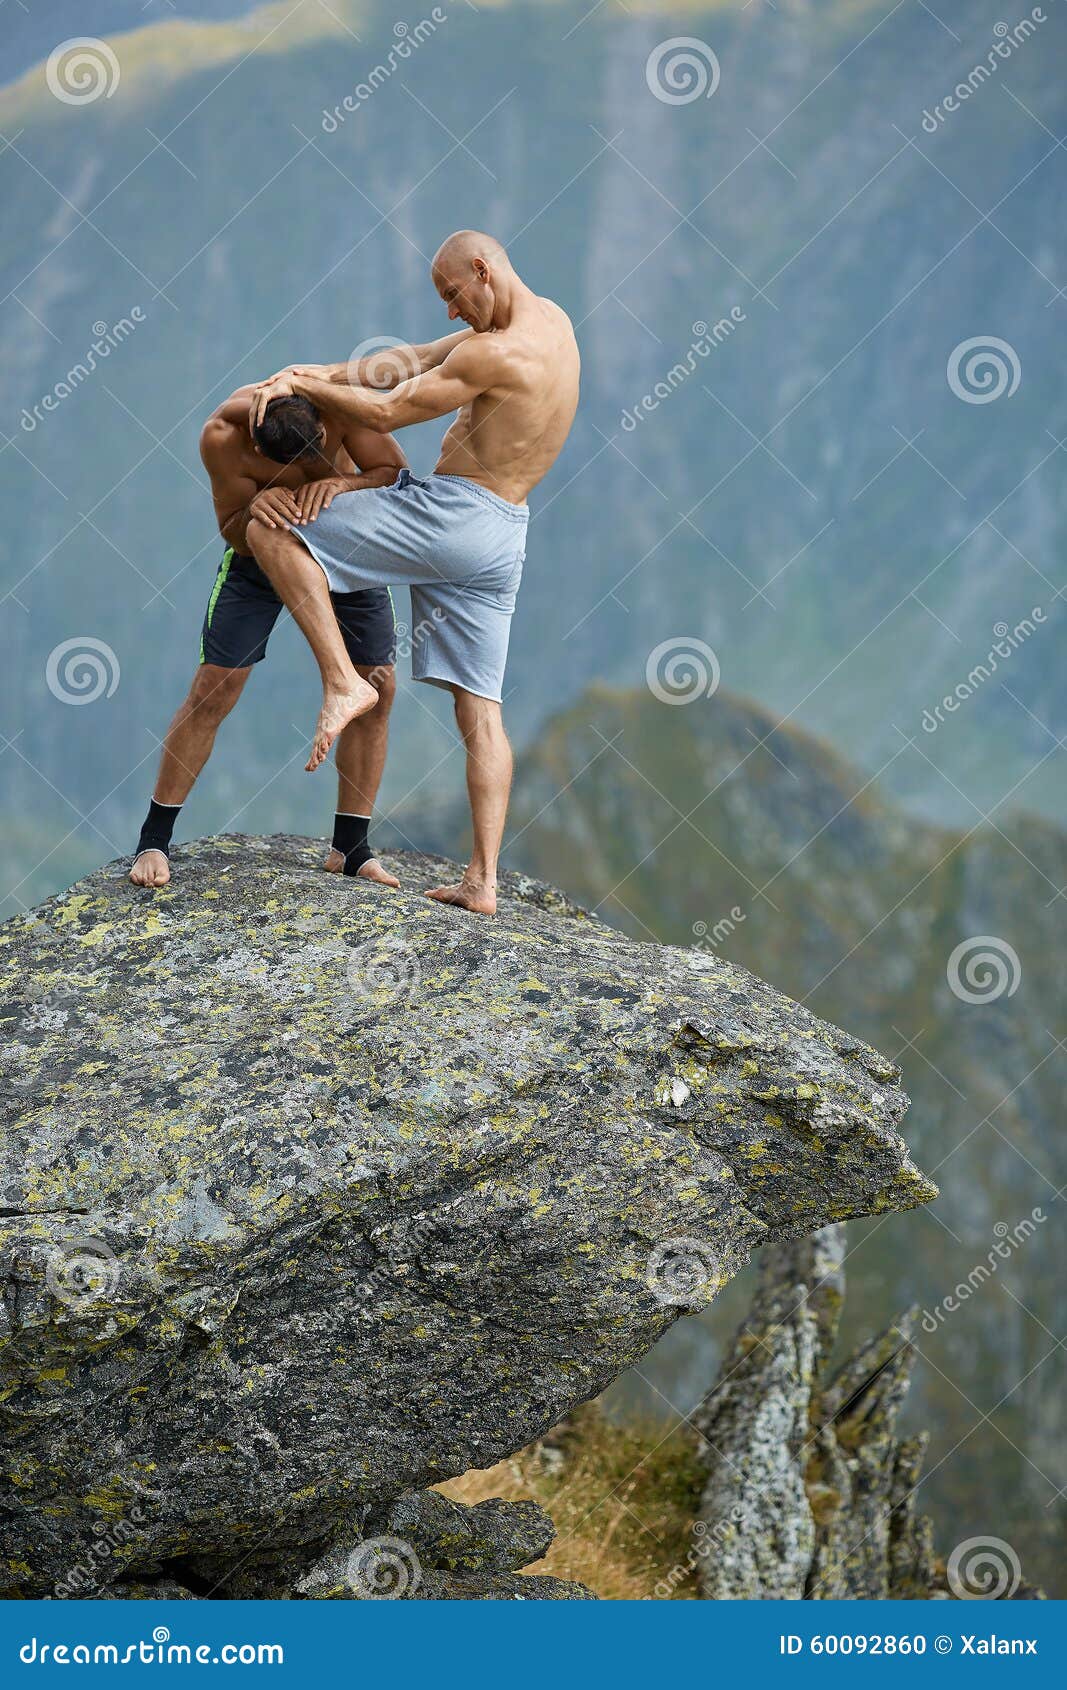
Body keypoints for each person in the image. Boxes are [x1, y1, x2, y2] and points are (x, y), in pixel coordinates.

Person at [244, 230, 580, 915]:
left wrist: (299, 384)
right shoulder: (553, 323)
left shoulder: (495, 350)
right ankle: (481, 882)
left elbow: (390, 409)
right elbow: (409, 362)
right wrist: (313, 368)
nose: (452, 312)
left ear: (482, 271)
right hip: (504, 533)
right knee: (481, 711)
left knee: (266, 528)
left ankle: (342, 683)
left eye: (454, 294)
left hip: (452, 519)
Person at [129, 386, 406, 890]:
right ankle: (154, 839)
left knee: (379, 688)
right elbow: (231, 529)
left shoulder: (339, 404)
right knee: (214, 687)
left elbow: (392, 474)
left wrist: (340, 484)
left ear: (325, 426)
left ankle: (350, 847)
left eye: (319, 450)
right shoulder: (221, 437)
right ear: (257, 449)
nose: (312, 464)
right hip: (259, 555)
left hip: (347, 544)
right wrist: (258, 502)